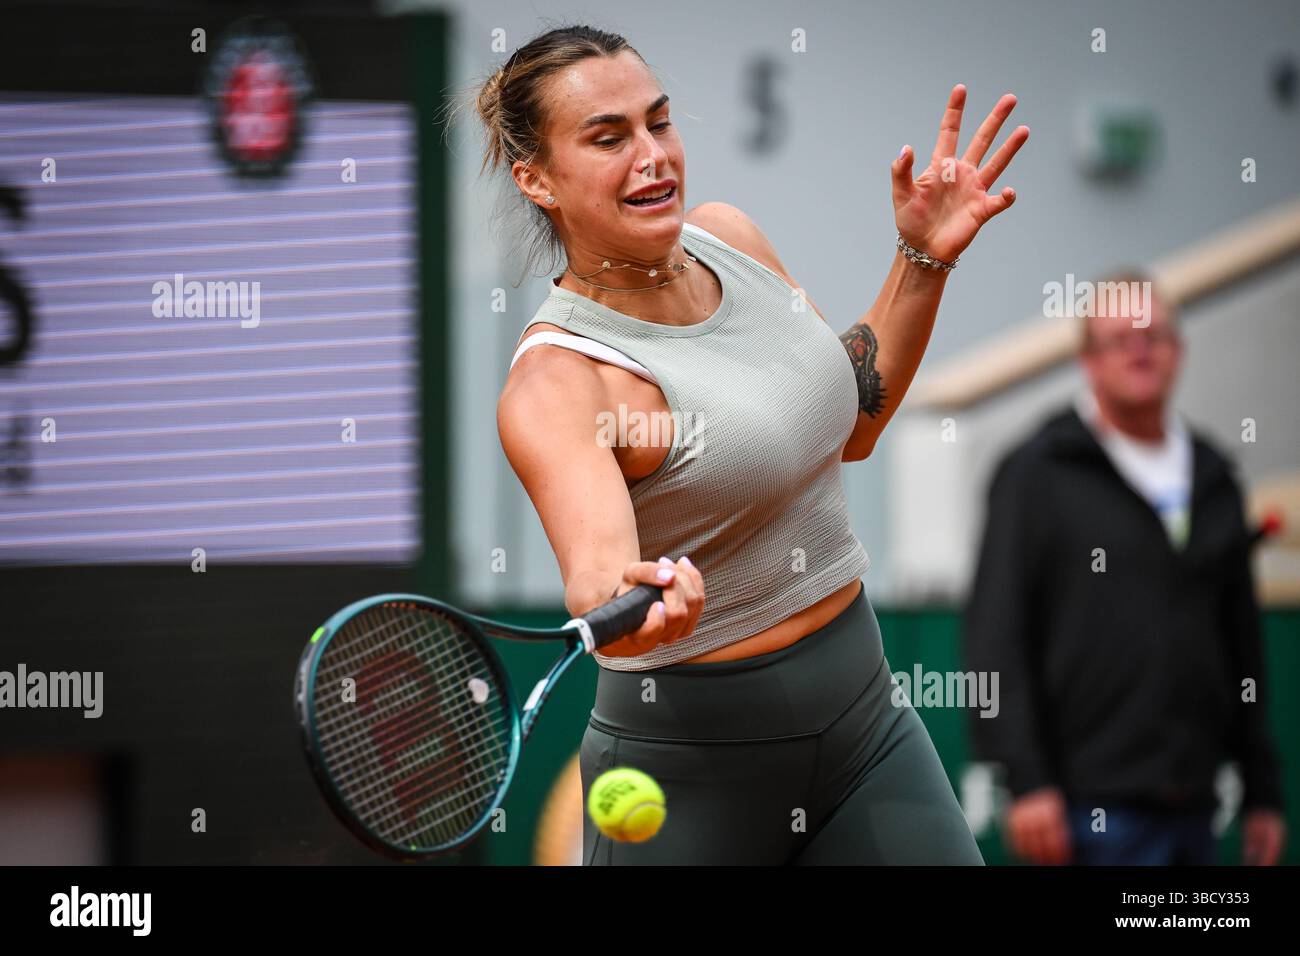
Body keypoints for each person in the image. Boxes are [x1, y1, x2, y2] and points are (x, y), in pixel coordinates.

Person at [475, 24, 1027, 864]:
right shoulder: (558, 385)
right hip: (683, 783)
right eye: (608, 137)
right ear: (536, 178)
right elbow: (600, 585)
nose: (652, 154)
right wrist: (642, 602)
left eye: (659, 122)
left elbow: (856, 425)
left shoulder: (731, 236)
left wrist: (921, 259)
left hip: (866, 727)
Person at [964, 273, 1287, 866]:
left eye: (1155, 335)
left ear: (1179, 350)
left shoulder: (1214, 475)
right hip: (1084, 811)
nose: (1140, 350)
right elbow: (996, 633)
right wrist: (1026, 780)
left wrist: (1263, 789)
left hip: (1198, 808)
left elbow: (1241, 639)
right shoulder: (1036, 473)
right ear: (1087, 361)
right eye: (1120, 339)